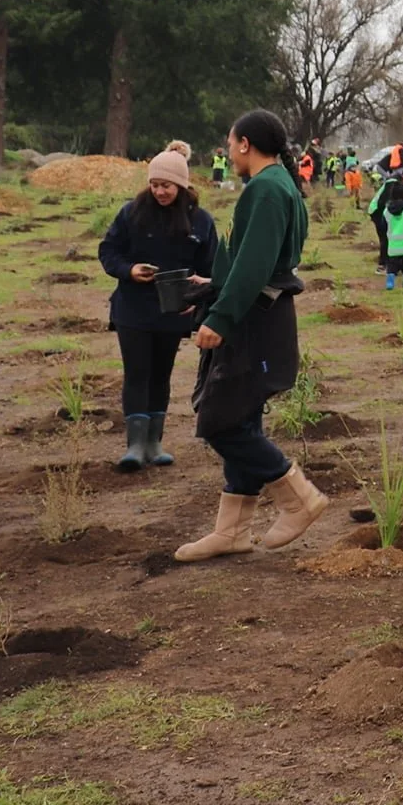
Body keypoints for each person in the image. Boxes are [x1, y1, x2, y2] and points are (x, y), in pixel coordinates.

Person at [174, 110, 326, 562]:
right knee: (241, 420)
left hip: (254, 322)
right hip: (264, 314)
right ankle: (232, 531)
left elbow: (257, 268)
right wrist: (212, 287)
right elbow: (257, 263)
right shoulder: (280, 185)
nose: (226, 151)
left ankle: (299, 498)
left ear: (244, 144)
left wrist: (217, 319)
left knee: (220, 421)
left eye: (228, 142)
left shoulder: (266, 189)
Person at [97, 151, 220, 472]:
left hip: (173, 311)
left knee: (160, 374)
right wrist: (130, 269)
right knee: (137, 372)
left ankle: (154, 442)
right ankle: (135, 446)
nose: (160, 192)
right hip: (132, 309)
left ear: (181, 184)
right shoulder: (131, 214)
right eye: (154, 185)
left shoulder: (201, 221)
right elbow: (108, 251)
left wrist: (200, 295)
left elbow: (212, 268)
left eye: (166, 185)